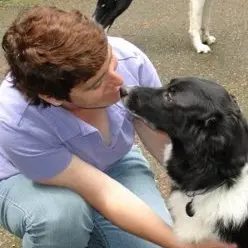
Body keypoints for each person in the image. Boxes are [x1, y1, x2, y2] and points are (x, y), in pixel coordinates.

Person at [0, 5, 236, 248]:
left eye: (111, 63)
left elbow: (160, 140)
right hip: (24, 177)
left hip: (113, 163)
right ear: (52, 97)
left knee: (153, 240)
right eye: (96, 83)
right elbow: (103, 192)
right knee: (61, 217)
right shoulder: (14, 121)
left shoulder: (128, 58)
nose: (119, 82)